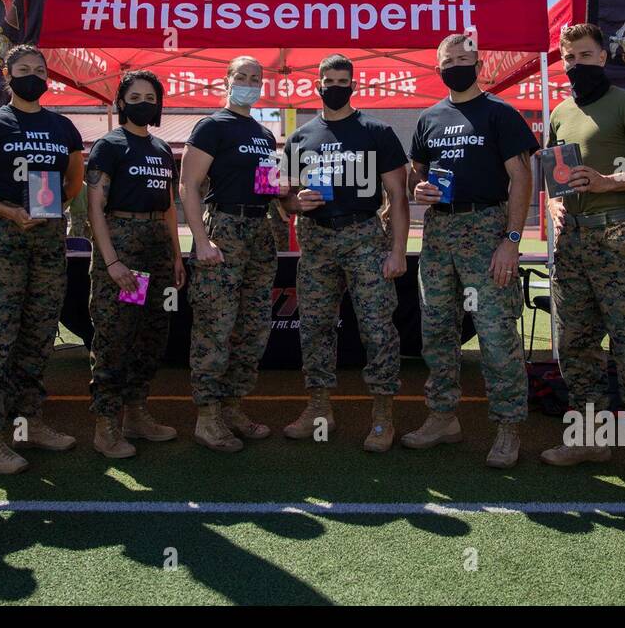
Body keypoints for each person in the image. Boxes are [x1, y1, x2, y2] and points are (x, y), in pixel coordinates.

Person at [540, 23, 625, 492]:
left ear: (604, 57)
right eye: (570, 58)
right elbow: (554, 174)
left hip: (616, 233)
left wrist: (608, 182)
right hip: (571, 242)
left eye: (586, 56)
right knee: (575, 346)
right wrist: (554, 202)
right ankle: (589, 438)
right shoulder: (559, 111)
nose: (578, 64)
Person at [405, 33, 538, 468]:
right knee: (437, 331)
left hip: (488, 229)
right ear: (437, 66)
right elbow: (416, 177)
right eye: (449, 59)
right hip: (439, 230)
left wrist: (512, 240)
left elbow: (521, 178)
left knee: (497, 334)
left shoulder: (500, 114)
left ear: (479, 64)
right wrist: (419, 188)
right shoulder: (429, 118)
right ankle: (443, 417)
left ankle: (508, 426)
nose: (457, 65)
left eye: (465, 59)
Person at [0, 44, 84, 474]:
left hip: (47, 241)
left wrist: (53, 207)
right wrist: (10, 211)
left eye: (40, 69)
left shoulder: (62, 126)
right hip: (1, 241)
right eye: (23, 69)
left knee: (38, 337)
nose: (33, 75)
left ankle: (28, 424)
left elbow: (74, 179)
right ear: (7, 76)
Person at [281, 54, 410, 451]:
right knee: (316, 327)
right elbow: (280, 194)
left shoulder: (377, 130)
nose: (335, 86)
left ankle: (383, 417)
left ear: (353, 84)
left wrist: (398, 251)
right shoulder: (299, 137)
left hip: (364, 237)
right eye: (328, 79)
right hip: (317, 241)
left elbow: (398, 196)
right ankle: (319, 409)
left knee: (376, 327)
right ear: (316, 84)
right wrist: (293, 202)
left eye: (343, 80)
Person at [180, 56, 286, 452]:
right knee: (215, 325)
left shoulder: (263, 133)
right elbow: (188, 185)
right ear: (226, 81)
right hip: (223, 228)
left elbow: (267, 188)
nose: (248, 82)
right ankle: (207, 417)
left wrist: (291, 196)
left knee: (253, 326)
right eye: (240, 76)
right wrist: (202, 241)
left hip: (259, 230)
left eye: (255, 78)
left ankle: (233, 406)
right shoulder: (211, 126)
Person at [84, 70, 184, 457]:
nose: (145, 102)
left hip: (157, 249)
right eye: (136, 96)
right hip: (124, 247)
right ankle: (106, 423)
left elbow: (170, 208)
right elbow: (95, 206)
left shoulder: (161, 148)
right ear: (122, 103)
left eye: (151, 97)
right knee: (117, 334)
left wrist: (176, 255)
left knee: (151, 335)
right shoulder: (110, 145)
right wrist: (112, 262)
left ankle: (137, 413)